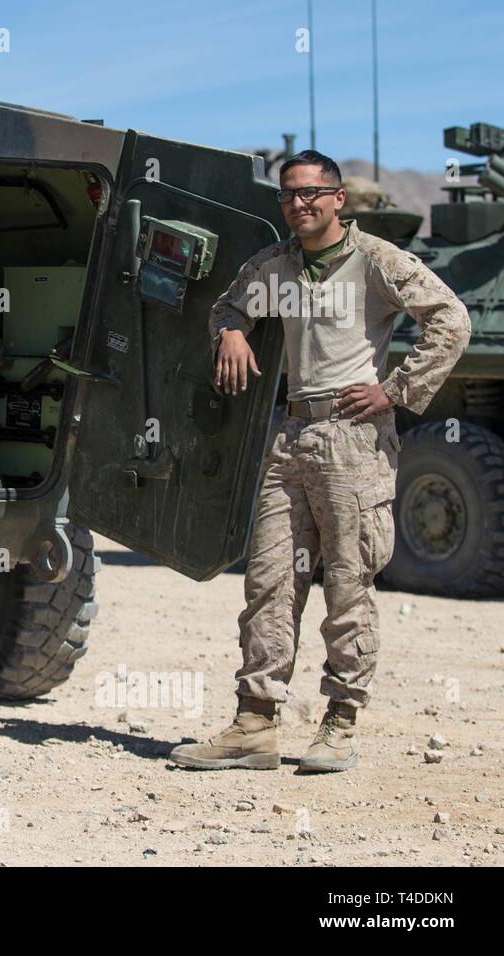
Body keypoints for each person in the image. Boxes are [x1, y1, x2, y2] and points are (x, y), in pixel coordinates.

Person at [170, 149, 472, 772]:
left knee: (348, 581)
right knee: (269, 581)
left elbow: (451, 320)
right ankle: (254, 723)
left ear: (338, 199)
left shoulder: (376, 261)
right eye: (289, 196)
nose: (300, 204)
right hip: (292, 434)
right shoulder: (275, 266)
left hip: (354, 438)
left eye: (312, 193)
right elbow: (226, 306)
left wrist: (395, 390)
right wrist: (231, 330)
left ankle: (339, 724)